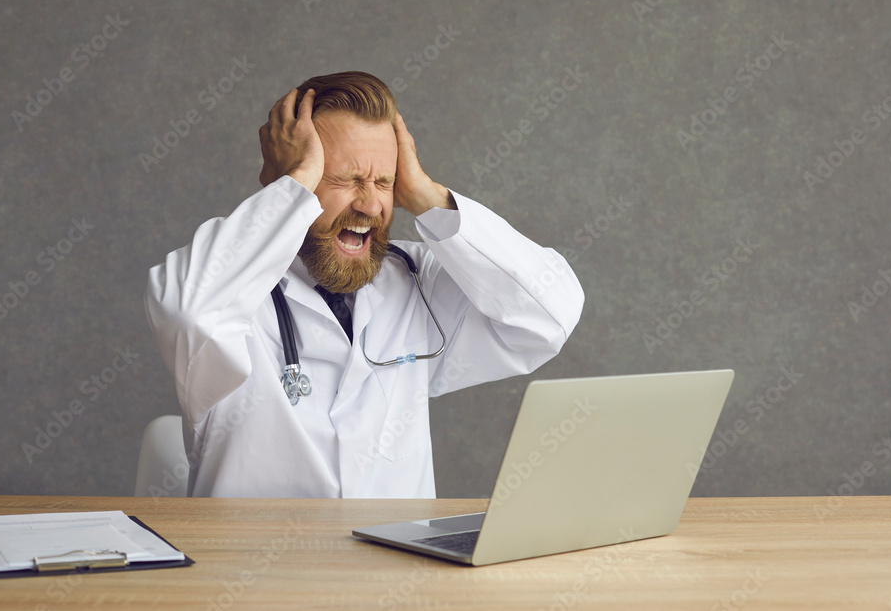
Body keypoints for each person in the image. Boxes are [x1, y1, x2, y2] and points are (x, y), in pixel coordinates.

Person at [145, 71, 584, 498]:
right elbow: (189, 313)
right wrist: (290, 184)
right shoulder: (231, 287)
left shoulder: (414, 279)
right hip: (254, 568)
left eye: (385, 182)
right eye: (344, 179)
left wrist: (429, 198)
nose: (371, 204)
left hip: (399, 566)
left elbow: (548, 317)